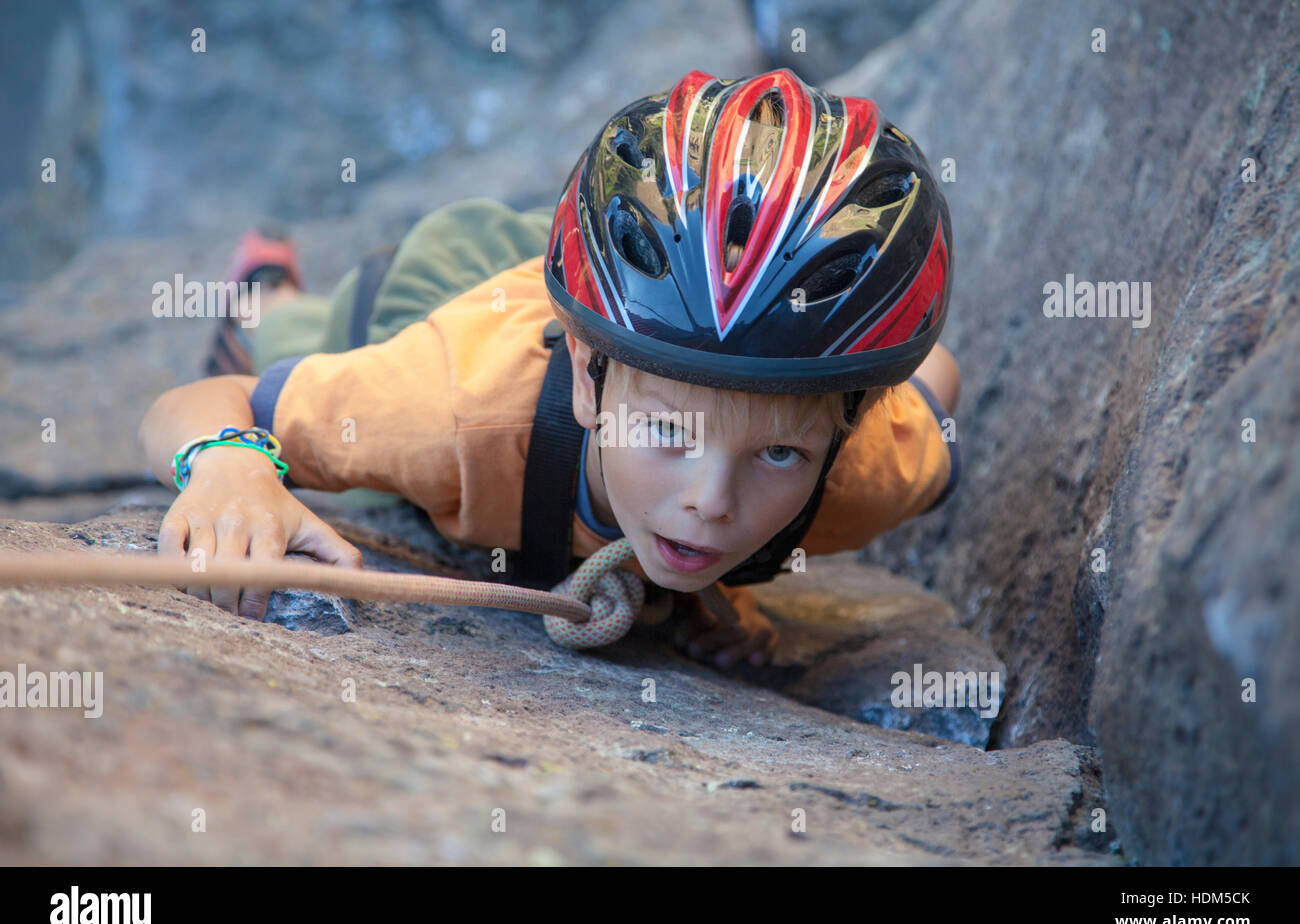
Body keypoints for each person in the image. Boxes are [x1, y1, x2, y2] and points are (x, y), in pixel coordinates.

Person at [139, 67, 962, 670]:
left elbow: (938, 383)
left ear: (848, 419)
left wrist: (688, 586)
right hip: (462, 280)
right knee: (293, 342)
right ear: (587, 377)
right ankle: (263, 282)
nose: (711, 506)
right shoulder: (451, 411)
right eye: (667, 431)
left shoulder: (864, 471)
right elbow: (208, 401)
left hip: (644, 303)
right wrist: (230, 467)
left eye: (779, 454)